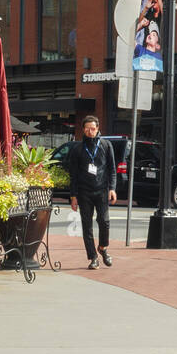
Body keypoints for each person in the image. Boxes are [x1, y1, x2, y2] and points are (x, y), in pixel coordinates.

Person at [67, 115, 117, 269]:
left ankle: (103, 248)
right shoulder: (77, 149)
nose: (90, 131)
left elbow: (112, 170)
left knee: (104, 221)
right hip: (84, 193)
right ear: (83, 129)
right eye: (87, 128)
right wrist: (73, 196)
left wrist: (112, 189)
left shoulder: (106, 145)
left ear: (98, 129)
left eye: (93, 128)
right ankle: (93, 257)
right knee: (87, 225)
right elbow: (73, 175)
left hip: (102, 191)